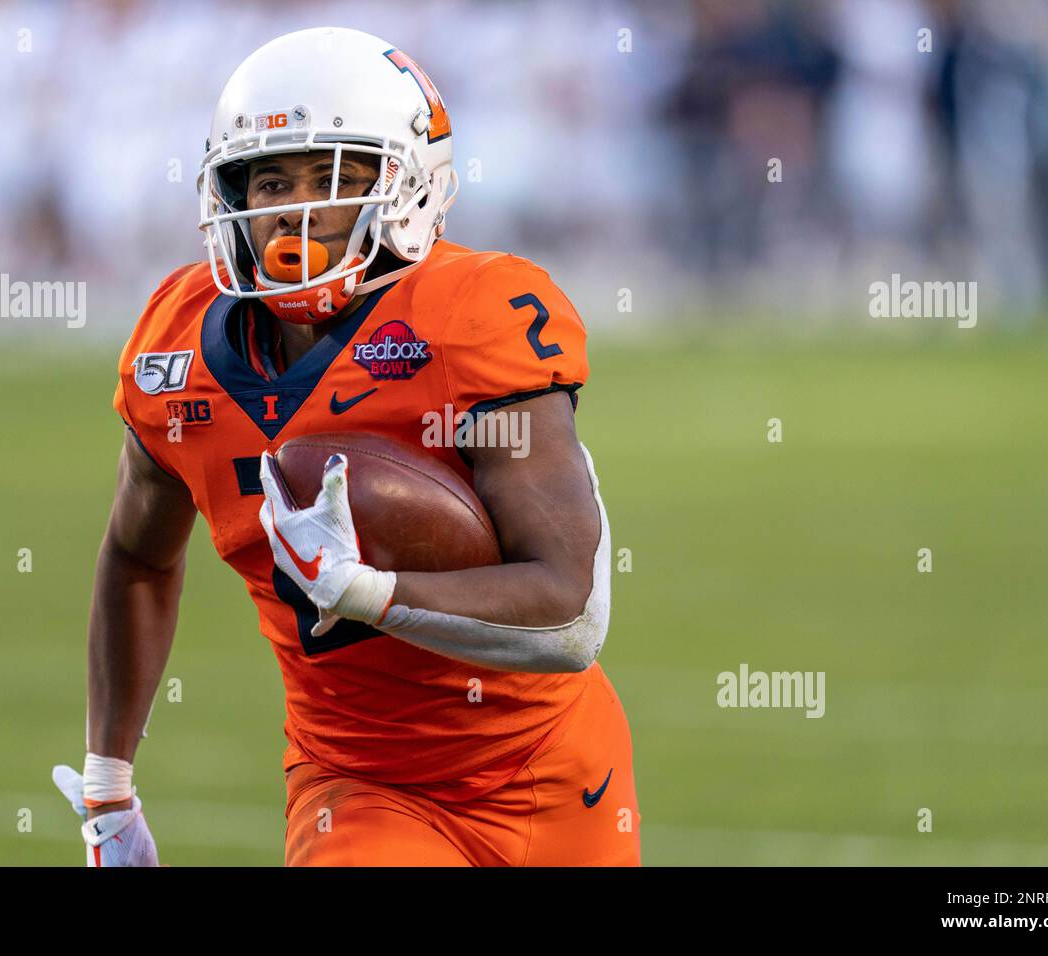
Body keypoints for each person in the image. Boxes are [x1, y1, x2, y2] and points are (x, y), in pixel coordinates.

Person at [52, 26, 639, 866]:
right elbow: (137, 558)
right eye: (268, 179)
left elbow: (571, 612)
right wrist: (108, 789)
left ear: (408, 184)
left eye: (331, 179)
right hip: (361, 785)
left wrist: (371, 591)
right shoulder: (174, 352)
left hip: (550, 767)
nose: (292, 208)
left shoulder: (472, 317)